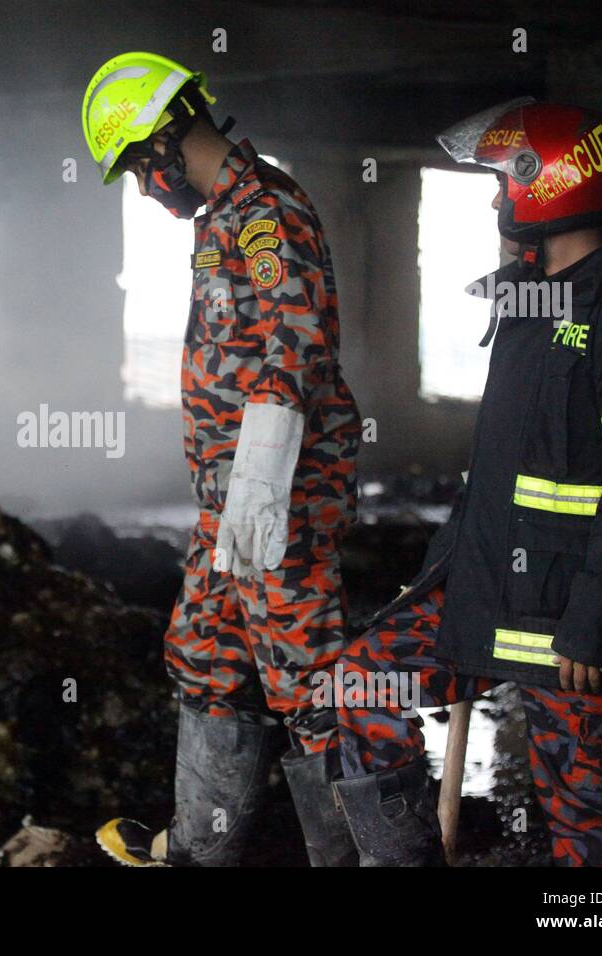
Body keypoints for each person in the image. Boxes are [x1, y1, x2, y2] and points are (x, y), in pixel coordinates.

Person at [334, 98, 602, 866]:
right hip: (490, 594)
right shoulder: (527, 298)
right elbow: (500, 470)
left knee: (584, 824)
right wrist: (444, 568)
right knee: (363, 682)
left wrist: (594, 622)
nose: (495, 199)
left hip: (575, 624)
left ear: (552, 185)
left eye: (503, 182)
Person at [81, 51, 362, 866]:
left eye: (138, 165)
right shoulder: (220, 218)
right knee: (201, 655)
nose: (143, 187)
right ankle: (201, 851)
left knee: (308, 687)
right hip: (226, 505)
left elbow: (298, 341)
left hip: (279, 504)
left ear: (169, 133)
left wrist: (262, 485)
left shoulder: (267, 210)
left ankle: (354, 856)